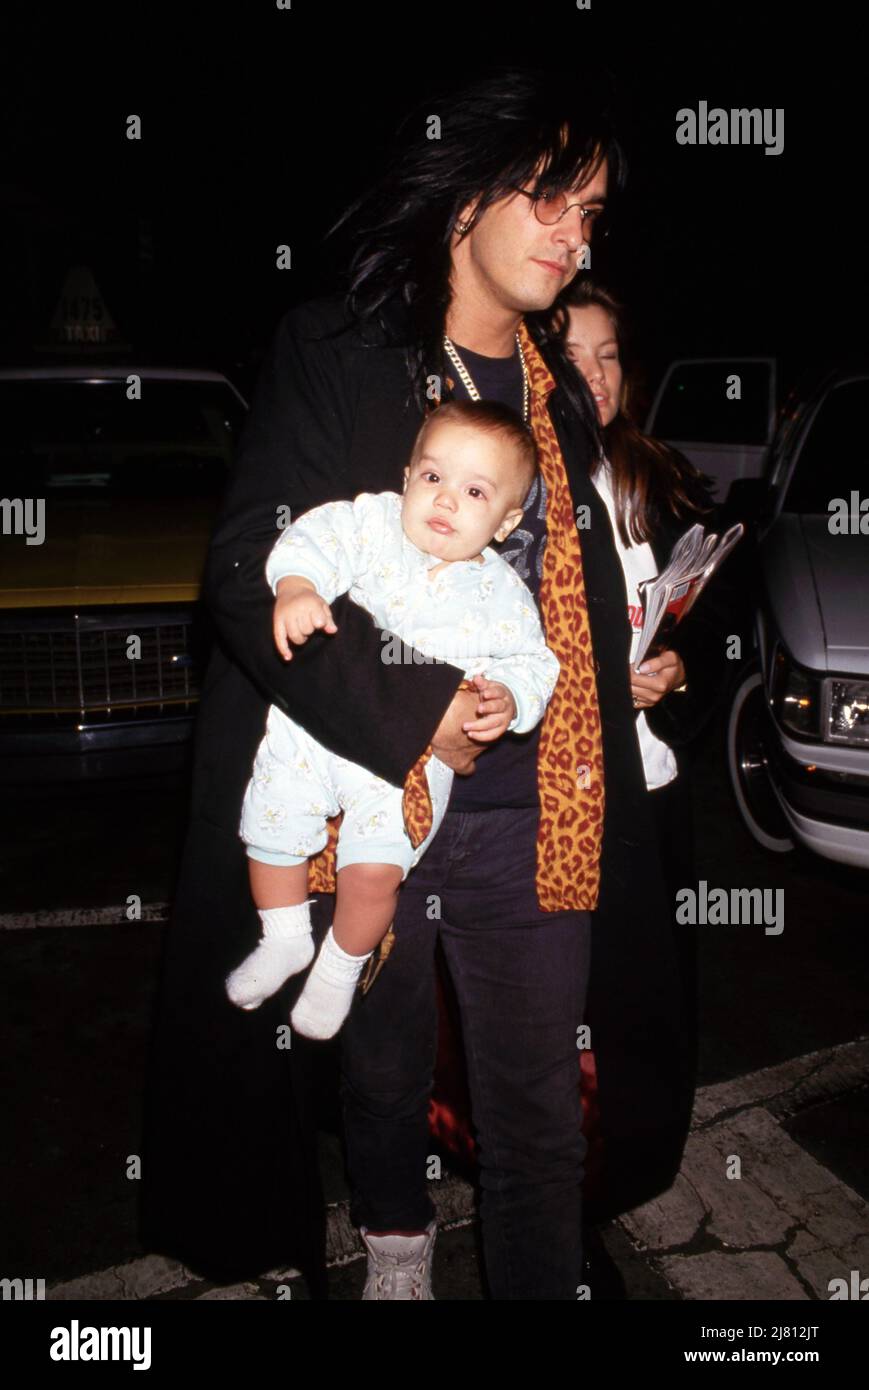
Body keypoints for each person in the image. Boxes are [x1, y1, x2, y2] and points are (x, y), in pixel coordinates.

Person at [141, 66, 693, 1301]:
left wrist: (629, 666)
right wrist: (414, 707)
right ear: (464, 200)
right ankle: (395, 1255)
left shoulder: (558, 391)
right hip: (368, 798)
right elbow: (246, 572)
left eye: (592, 213)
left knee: (539, 1100)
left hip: (529, 821)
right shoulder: (340, 349)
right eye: (553, 199)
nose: (575, 233)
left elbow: (573, 590)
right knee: (380, 1079)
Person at [226, 401, 559, 1038]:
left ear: (506, 522)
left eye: (475, 491)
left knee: (376, 870)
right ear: (407, 477)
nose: (446, 501)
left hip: (409, 763)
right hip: (315, 731)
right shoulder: (372, 523)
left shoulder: (503, 593)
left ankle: (338, 970)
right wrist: (298, 585)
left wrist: (513, 698)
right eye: (432, 477)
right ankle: (285, 936)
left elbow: (534, 660)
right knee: (269, 828)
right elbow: (312, 538)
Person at [557, 276, 739, 1121]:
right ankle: (574, 1205)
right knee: (572, 1008)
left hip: (655, 781)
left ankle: (637, 1142)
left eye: (610, 356)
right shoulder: (520, 479)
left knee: (650, 993)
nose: (596, 377)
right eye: (572, 357)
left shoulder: (652, 470)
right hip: (568, 797)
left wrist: (678, 666)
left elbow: (716, 619)